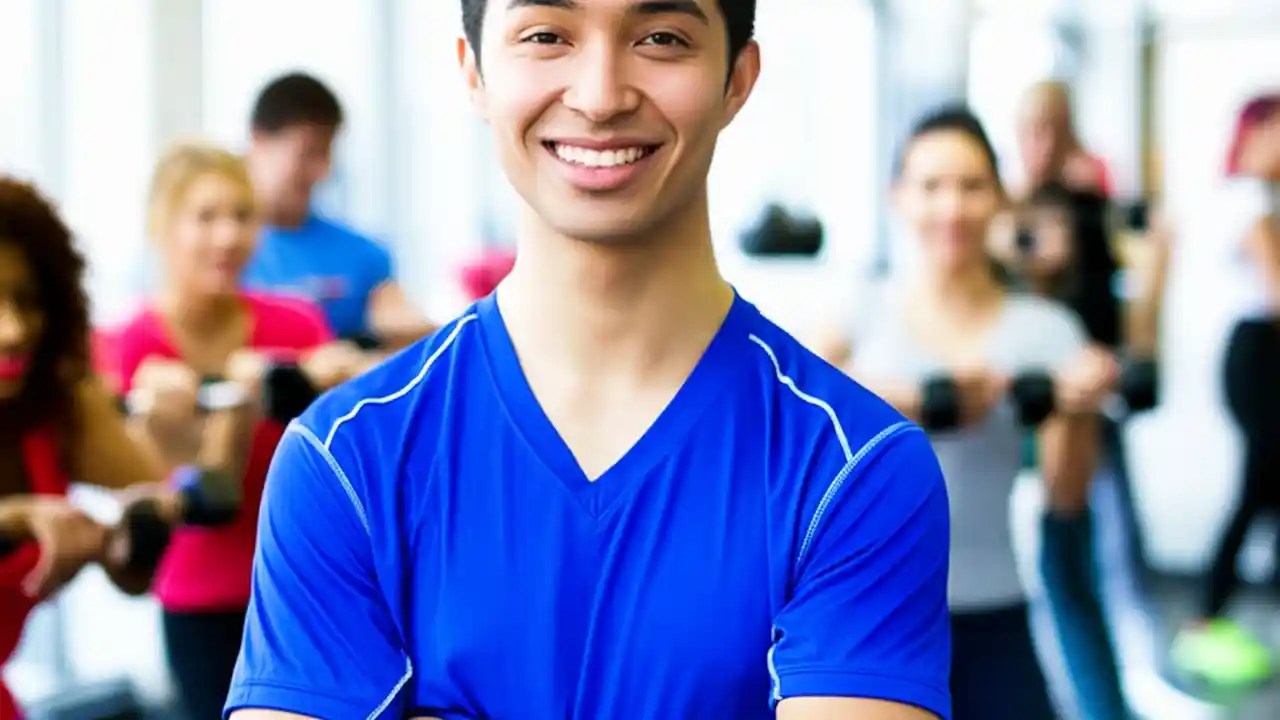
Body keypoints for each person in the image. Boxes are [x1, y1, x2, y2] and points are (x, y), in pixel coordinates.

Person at [226, 2, 952, 719]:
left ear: (737, 78)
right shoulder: (348, 459)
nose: (601, 96)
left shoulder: (852, 469)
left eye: (662, 38)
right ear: (473, 71)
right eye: (547, 35)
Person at [846, 106, 1119, 720]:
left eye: (972, 186)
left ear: (999, 196)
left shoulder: (1044, 331)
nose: (952, 208)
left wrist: (1077, 412)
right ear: (899, 197)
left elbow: (1065, 498)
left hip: (994, 610)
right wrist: (911, 401)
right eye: (932, 186)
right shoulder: (858, 317)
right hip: (869, 620)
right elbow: (782, 427)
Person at [115, 142, 343, 720]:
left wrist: (329, 376)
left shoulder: (296, 324)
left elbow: (345, 448)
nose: (228, 236)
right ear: (163, 228)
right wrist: (226, 412)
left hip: (305, 585)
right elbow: (154, 489)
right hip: (199, 599)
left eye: (241, 216)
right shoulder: (136, 344)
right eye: (207, 217)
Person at [0, 177, 211, 719]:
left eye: (27, 301)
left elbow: (154, 513)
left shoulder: (58, 406)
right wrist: (17, 517)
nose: (12, 330)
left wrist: (129, 540)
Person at [1171, 93, 1280, 689]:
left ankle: (1207, 615)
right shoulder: (1249, 198)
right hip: (1260, 355)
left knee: (1268, 490)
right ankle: (1203, 619)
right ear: (1258, 132)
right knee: (1257, 487)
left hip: (1258, 353)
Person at [242, 71, 434, 348]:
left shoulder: (363, 254)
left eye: (326, 152)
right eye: (307, 153)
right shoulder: (222, 254)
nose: (321, 171)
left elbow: (401, 321)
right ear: (259, 141)